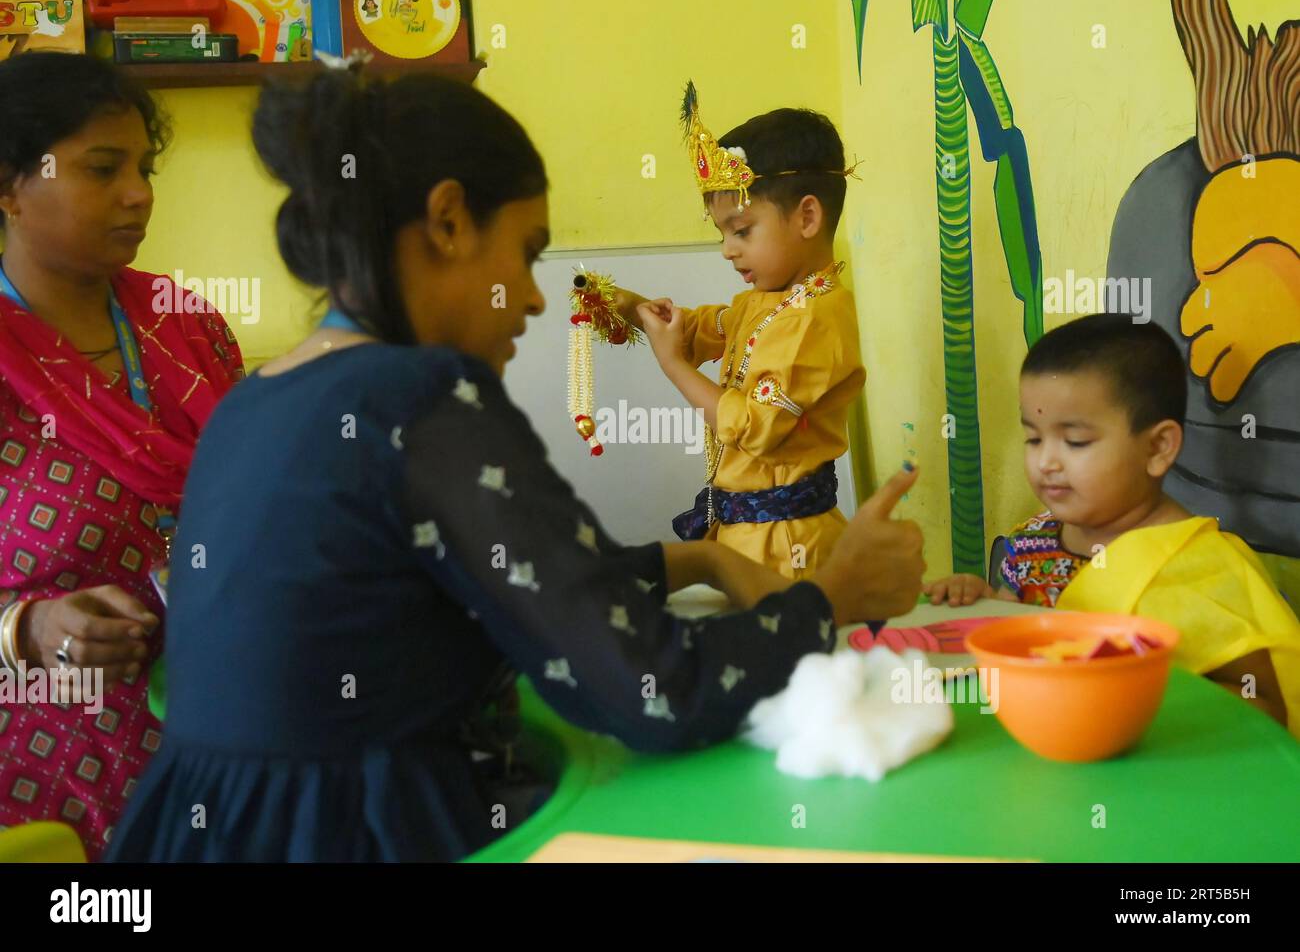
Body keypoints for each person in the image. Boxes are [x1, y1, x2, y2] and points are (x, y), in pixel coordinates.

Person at [105, 69, 926, 861]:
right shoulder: (423, 399)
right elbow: (652, 692)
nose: (533, 300)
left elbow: (500, 576)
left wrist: (700, 558)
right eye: (528, 252)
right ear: (450, 221)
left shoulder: (257, 398)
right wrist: (831, 596)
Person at [0, 51, 244, 859]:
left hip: (227, 748)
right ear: (8, 186)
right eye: (104, 168)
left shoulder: (190, 328)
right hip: (46, 783)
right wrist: (25, 630)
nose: (140, 193)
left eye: (145, 167)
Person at [924, 315, 1299, 736]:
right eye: (1034, 438)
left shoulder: (1207, 568)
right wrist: (982, 606)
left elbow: (1266, 709)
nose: (1046, 461)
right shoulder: (1030, 541)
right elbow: (1018, 631)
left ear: (1157, 448)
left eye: (1076, 441)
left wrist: (1136, 695)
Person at [616, 82, 865, 580]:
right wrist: (633, 307)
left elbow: (753, 427)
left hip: (788, 544)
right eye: (722, 233)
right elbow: (705, 329)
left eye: (742, 229)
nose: (727, 249)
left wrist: (672, 365)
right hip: (747, 534)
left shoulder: (815, 319)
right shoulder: (766, 301)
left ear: (808, 216)